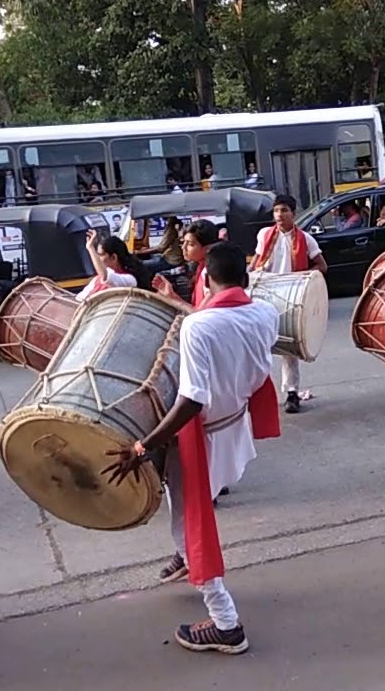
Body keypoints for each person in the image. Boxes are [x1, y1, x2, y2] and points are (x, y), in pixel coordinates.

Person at [105, 241, 280, 654]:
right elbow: (218, 326)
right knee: (185, 512)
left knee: (191, 523)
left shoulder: (199, 327)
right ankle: (187, 560)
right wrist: (175, 303)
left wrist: (143, 445)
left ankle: (225, 622)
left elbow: (192, 399)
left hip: (200, 437)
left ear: (209, 280)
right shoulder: (265, 313)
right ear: (246, 277)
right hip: (233, 424)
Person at [250, 193, 328, 413]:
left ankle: (292, 394)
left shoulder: (306, 239)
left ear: (293, 214)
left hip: (290, 297)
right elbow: (256, 262)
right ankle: (254, 394)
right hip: (264, 295)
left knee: (288, 351)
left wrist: (304, 278)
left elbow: (322, 266)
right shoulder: (265, 235)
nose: (279, 215)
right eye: (276, 210)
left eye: (284, 210)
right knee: (256, 347)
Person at [78, 230, 154, 301]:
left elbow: (105, 276)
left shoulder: (129, 279)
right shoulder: (101, 276)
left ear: (113, 257)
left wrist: (91, 248)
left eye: (100, 255)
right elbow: (80, 298)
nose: (98, 259)